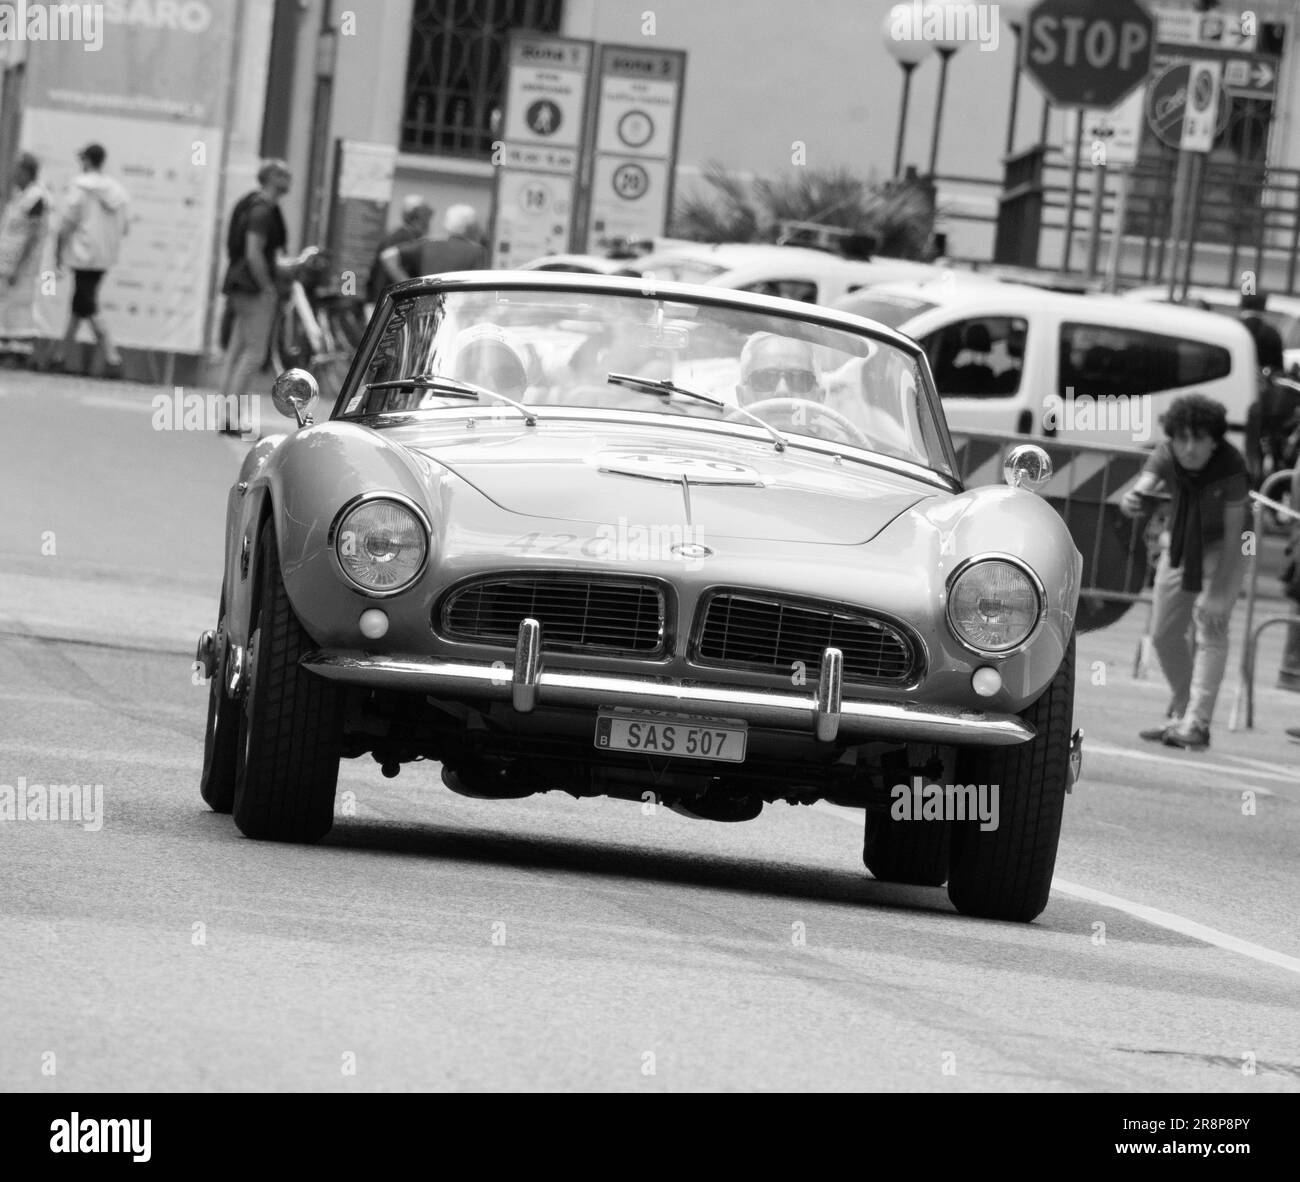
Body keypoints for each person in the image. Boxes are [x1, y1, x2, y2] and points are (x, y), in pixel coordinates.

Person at [1120, 393, 1251, 751]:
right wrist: (1134, 499)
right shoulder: (1166, 453)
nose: (1190, 448)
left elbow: (1238, 533)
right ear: (1173, 438)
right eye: (1182, 438)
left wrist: (1218, 592)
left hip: (1230, 545)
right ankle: (1183, 713)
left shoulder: (1231, 464)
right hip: (1180, 542)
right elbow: (1143, 486)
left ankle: (1197, 722)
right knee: (1163, 634)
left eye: (1200, 439)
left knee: (1212, 624)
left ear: (1215, 440)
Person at [218, 159, 301, 436]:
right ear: (269, 178)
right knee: (254, 354)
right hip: (253, 287)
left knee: (237, 350)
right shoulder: (262, 211)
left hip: (240, 283)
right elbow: (254, 252)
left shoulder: (255, 205)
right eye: (282, 174)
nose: (288, 177)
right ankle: (233, 419)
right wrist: (267, 286)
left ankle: (227, 415)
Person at [50, 143, 129, 376]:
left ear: (86, 161)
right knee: (80, 304)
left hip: (83, 253)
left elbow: (66, 223)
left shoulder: (79, 188)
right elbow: (125, 227)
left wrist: (58, 253)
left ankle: (112, 358)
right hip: (105, 256)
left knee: (87, 304)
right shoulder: (117, 191)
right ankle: (60, 355)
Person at [0, 153, 50, 365]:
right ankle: (10, 349)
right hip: (8, 261)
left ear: (26, 172)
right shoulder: (21, 196)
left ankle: (18, 352)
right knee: (7, 306)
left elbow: (33, 236)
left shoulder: (36, 198)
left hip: (22, 265)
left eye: (17, 170)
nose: (13, 175)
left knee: (19, 307)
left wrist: (19, 268)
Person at [381, 202, 487, 284]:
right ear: (470, 228)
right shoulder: (478, 252)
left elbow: (388, 256)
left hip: (428, 305)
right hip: (459, 306)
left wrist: (408, 286)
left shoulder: (427, 244)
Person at [367, 194, 432, 309]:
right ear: (416, 217)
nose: (429, 221)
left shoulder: (390, 237)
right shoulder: (409, 242)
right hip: (395, 308)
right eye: (427, 216)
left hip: (383, 305)